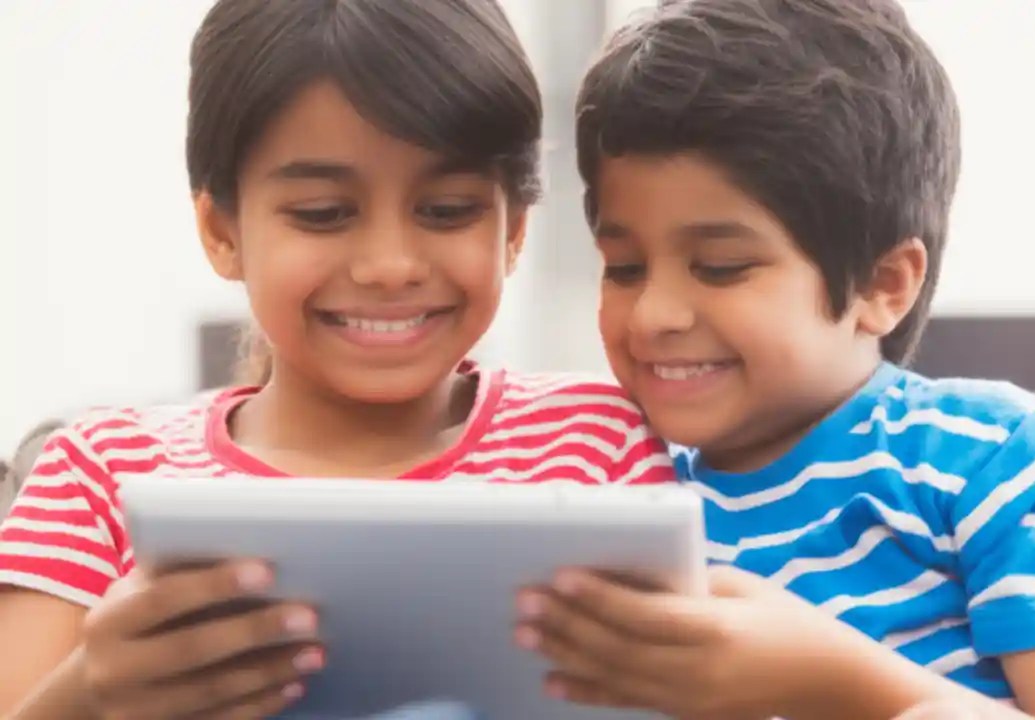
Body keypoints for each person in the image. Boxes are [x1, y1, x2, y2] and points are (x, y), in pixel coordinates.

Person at [0, 1, 672, 717]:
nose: (389, 266)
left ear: (515, 228)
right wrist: (88, 695)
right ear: (221, 229)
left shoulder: (598, 445)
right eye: (323, 213)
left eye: (446, 210)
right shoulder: (99, 476)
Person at [511, 1, 1035, 718]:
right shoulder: (622, 492)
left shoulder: (990, 460)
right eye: (624, 268)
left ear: (880, 285)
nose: (653, 316)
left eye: (721, 266)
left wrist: (831, 678)